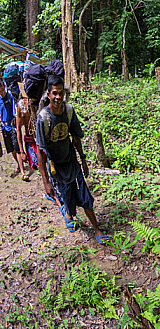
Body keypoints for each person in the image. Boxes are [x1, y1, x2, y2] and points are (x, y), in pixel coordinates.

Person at [36, 75, 109, 245]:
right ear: (48, 94)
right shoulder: (43, 118)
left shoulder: (68, 111)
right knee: (66, 199)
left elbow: (76, 137)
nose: (58, 97)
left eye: (60, 93)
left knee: (84, 197)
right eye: (54, 93)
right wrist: (45, 181)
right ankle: (67, 213)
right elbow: (40, 151)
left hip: (71, 162)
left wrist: (83, 160)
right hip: (56, 167)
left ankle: (96, 229)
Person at [0, 82, 27, 181]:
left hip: (12, 127)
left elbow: (15, 109)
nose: (1, 93)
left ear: (4, 87)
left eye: (2, 90)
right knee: (11, 149)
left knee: (17, 148)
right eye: (0, 91)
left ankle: (22, 171)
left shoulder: (10, 96)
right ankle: (19, 166)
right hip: (4, 127)